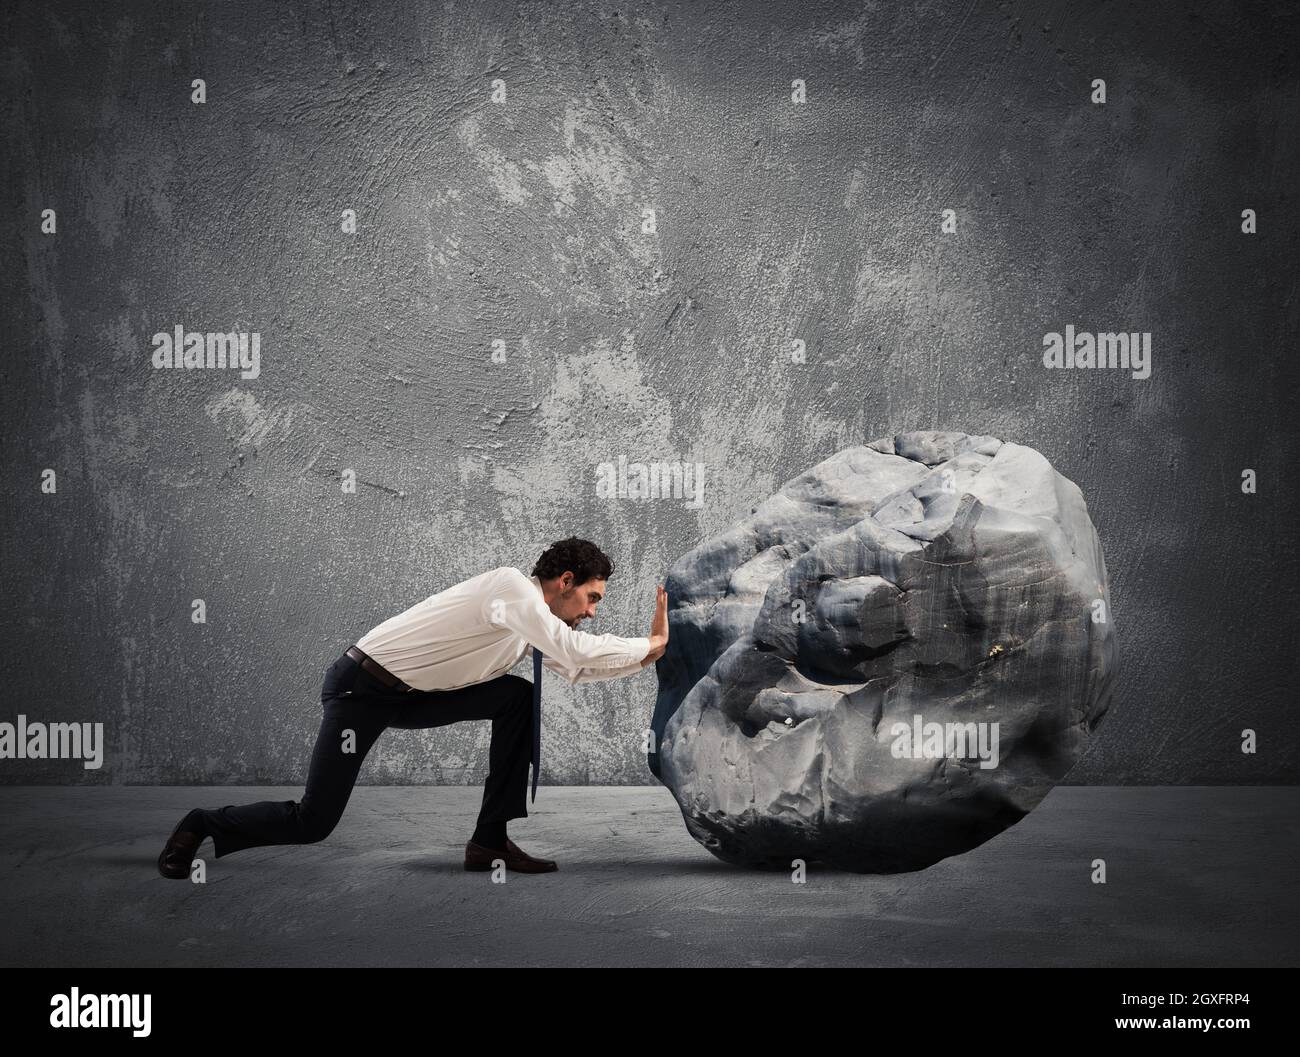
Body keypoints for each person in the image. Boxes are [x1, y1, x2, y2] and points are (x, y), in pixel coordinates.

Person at [158, 537, 669, 877]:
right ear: (565, 580)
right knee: (313, 822)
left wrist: (649, 658)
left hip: (414, 696)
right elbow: (574, 650)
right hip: (361, 690)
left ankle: (489, 841)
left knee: (517, 697)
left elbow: (575, 667)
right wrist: (647, 643)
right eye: (592, 598)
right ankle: (201, 823)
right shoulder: (513, 589)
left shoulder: (528, 626)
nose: (593, 610)